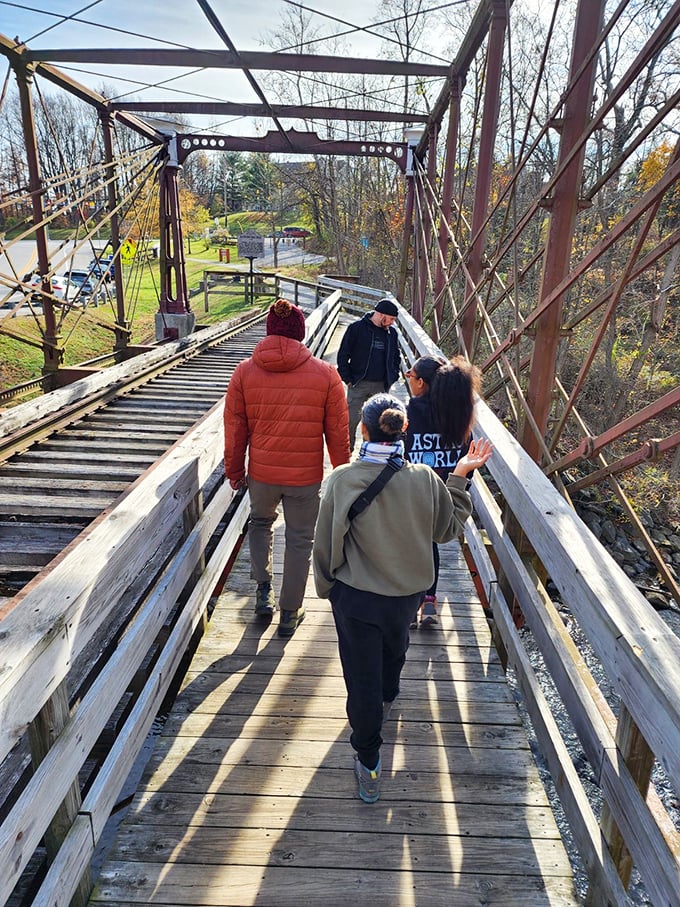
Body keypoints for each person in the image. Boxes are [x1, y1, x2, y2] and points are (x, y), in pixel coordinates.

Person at [312, 393, 492, 803]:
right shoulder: (425, 478)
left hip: (357, 598)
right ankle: (389, 697)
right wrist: (461, 475)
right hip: (407, 596)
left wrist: (328, 587)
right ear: (403, 429)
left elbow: (326, 545)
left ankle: (369, 760)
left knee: (361, 680)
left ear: (363, 430)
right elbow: (446, 532)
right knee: (395, 651)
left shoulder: (342, 479)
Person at [224, 298, 350, 638]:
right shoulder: (326, 375)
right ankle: (290, 612)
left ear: (268, 331)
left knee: (260, 524)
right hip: (304, 477)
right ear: (301, 333)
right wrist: (343, 472)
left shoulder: (244, 372)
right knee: (299, 539)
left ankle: (263, 591)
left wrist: (235, 471)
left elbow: (235, 430)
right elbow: (337, 432)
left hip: (262, 474)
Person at [405, 354, 482, 629]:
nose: (408, 380)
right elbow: (467, 458)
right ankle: (429, 601)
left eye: (410, 376)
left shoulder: (409, 412)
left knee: (407, 546)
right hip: (444, 495)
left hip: (410, 492)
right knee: (430, 544)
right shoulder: (459, 414)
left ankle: (409, 603)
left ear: (421, 383)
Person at [336, 298, 401, 452]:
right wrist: (347, 378)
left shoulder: (392, 334)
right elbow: (343, 355)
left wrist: (393, 376)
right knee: (351, 420)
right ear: (381, 315)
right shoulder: (356, 328)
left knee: (377, 424)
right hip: (358, 382)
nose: (392, 322)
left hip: (381, 384)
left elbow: (396, 358)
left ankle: (368, 453)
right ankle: (347, 451)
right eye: (391, 319)